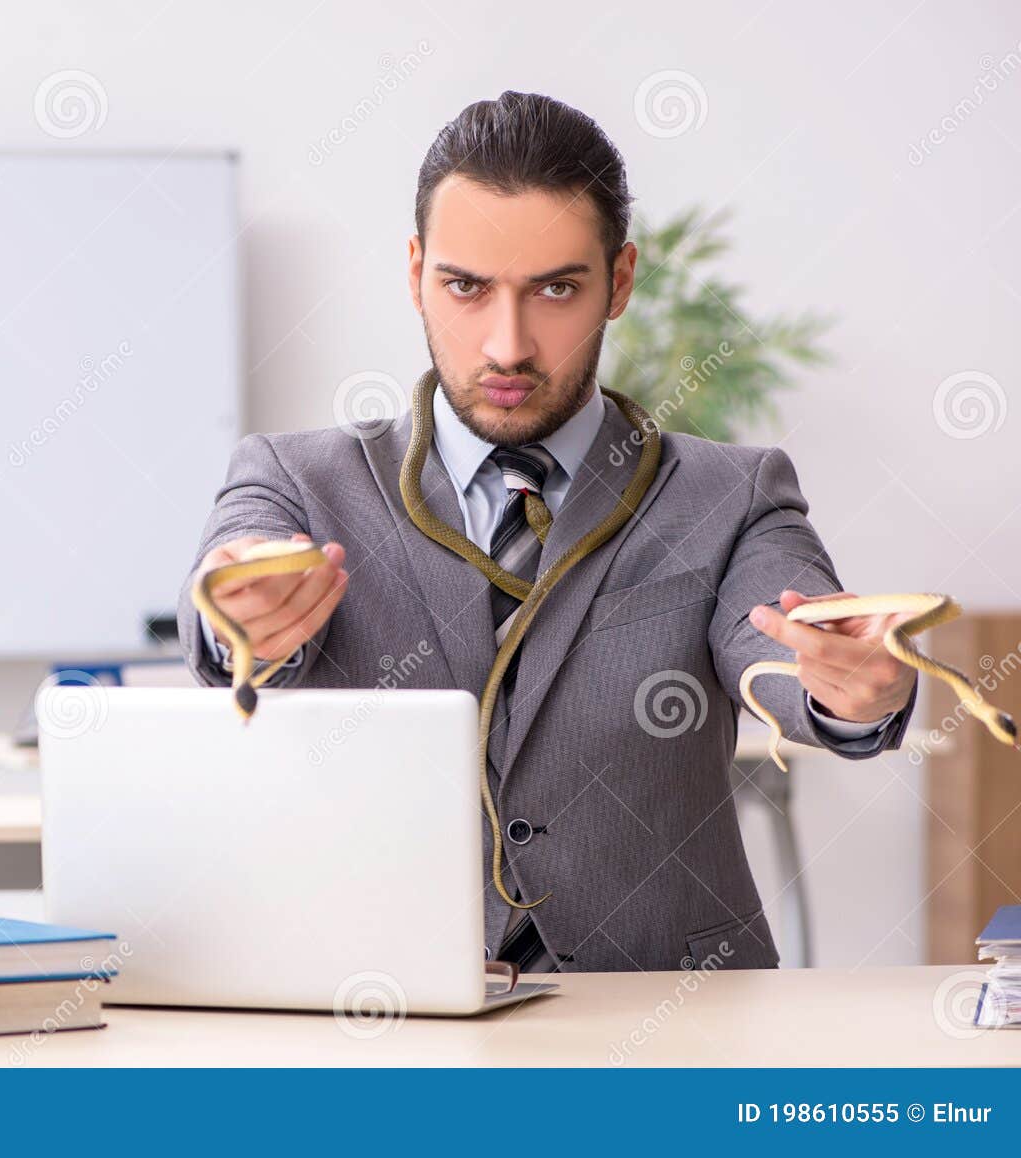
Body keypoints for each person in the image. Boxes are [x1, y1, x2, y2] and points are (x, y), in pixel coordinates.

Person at [176, 91, 917, 973]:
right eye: (465, 286)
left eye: (556, 289)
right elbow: (234, 583)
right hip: (375, 1018)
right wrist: (241, 613)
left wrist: (844, 687)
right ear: (415, 271)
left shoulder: (731, 494)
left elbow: (784, 643)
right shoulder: (296, 483)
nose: (508, 346)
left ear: (621, 281)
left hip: (668, 1027)